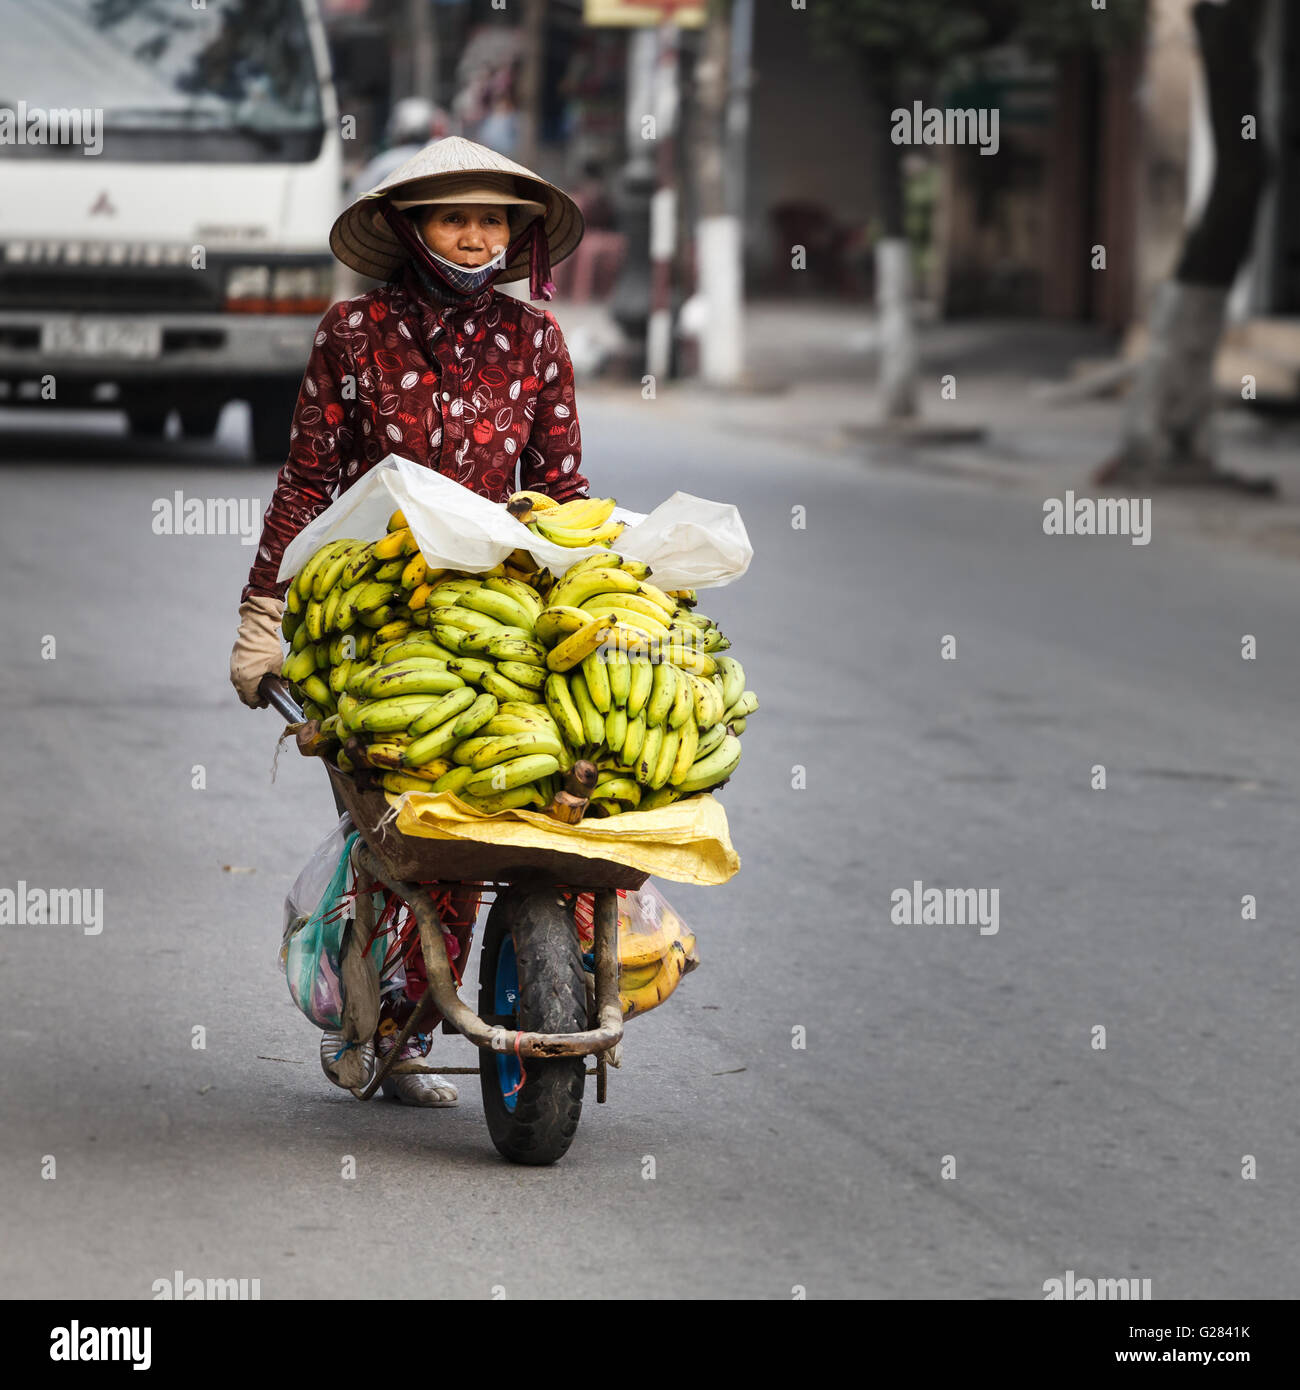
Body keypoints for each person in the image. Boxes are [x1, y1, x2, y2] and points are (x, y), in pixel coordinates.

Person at [228, 136, 589, 1106]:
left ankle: (534, 986)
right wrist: (263, 610)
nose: (473, 237)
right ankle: (386, 1019)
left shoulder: (539, 343)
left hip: (497, 619)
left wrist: (595, 601)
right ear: (408, 226)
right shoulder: (352, 336)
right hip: (380, 623)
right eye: (451, 217)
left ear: (516, 235)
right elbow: (307, 480)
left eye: (490, 219)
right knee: (414, 839)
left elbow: (561, 495)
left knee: (531, 804)